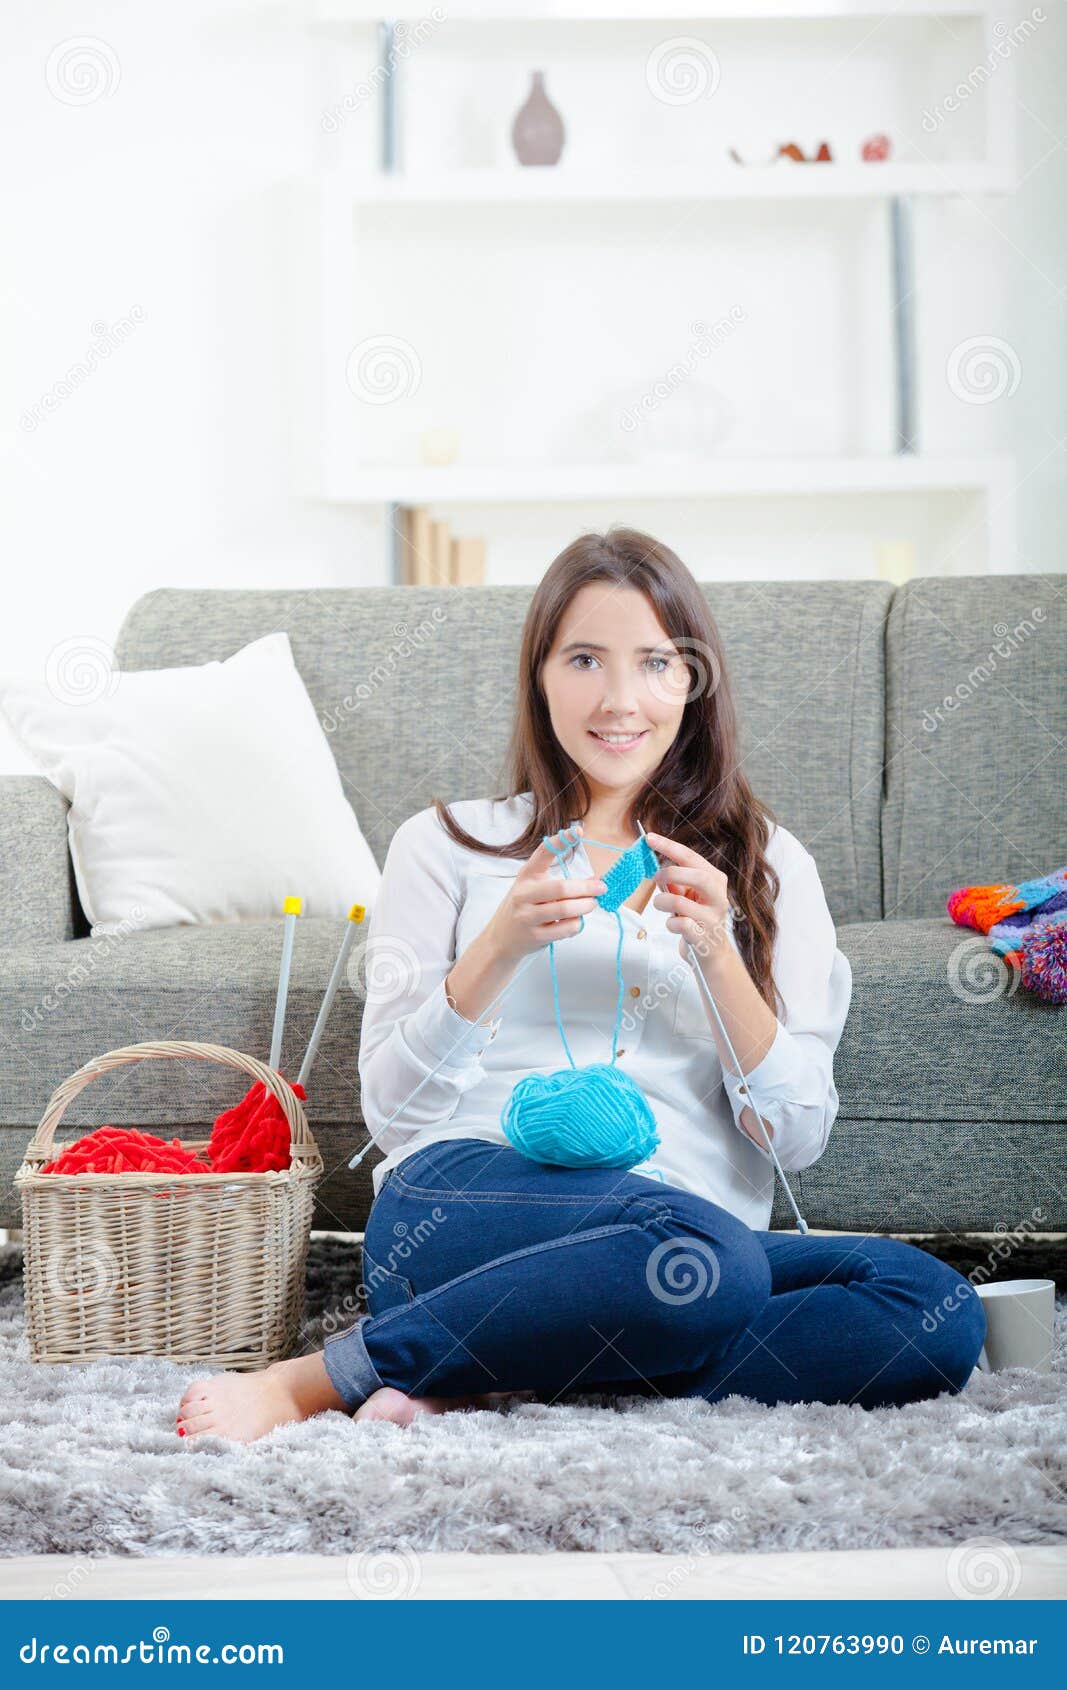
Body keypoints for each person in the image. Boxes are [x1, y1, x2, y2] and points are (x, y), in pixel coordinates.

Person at [176, 527, 985, 1443]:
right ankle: (319, 1378)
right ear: (540, 676)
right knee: (706, 1261)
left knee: (932, 1307)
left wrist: (717, 955)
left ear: (694, 682)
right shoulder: (444, 844)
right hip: (466, 1209)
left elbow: (792, 1138)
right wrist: (500, 948)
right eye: (586, 660)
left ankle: (497, 1373)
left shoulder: (770, 868)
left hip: (685, 1255)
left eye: (654, 664)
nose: (619, 700)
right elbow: (393, 1120)